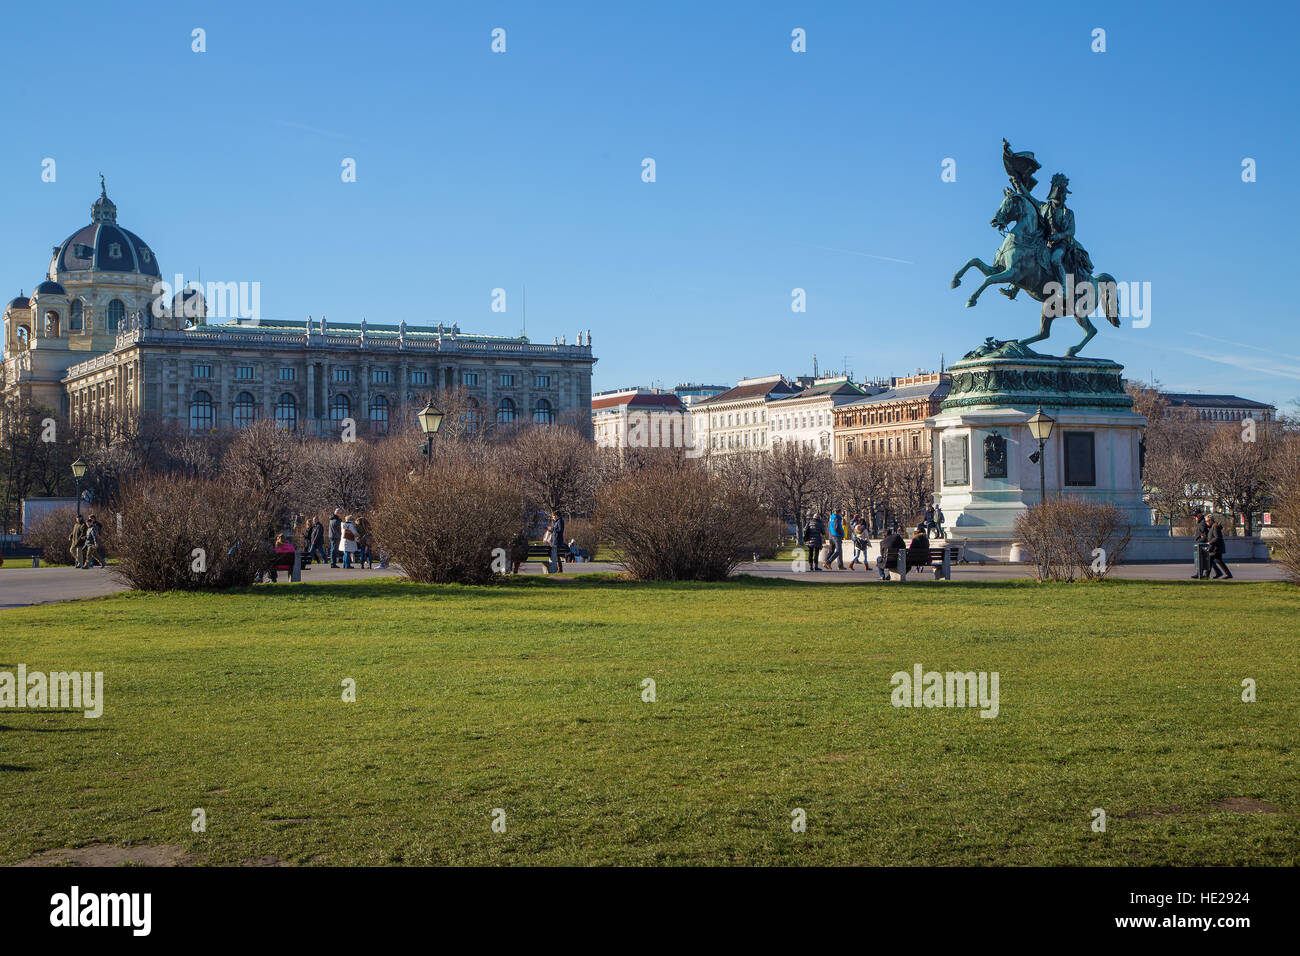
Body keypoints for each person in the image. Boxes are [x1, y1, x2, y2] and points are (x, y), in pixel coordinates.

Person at [1191, 511, 1210, 578]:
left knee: (1200, 559)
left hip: (1201, 543)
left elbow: (1204, 535)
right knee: (1204, 560)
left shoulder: (1202, 523)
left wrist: (1199, 540)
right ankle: (1200, 573)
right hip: (1201, 542)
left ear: (1199, 515)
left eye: (1195, 516)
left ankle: (1199, 574)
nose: (1195, 518)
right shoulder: (1201, 522)